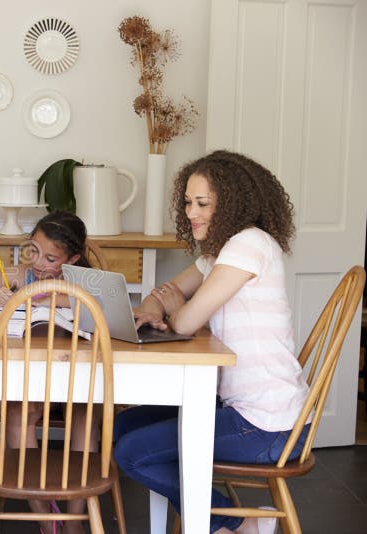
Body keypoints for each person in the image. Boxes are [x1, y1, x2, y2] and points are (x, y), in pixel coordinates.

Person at [114, 150, 310, 534]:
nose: (191, 212)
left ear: (234, 203)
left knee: (132, 453)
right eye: (188, 202)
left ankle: (233, 525)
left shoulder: (248, 245)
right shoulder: (220, 251)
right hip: (244, 412)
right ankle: (219, 521)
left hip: (269, 427)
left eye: (203, 203)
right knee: (127, 426)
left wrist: (175, 309)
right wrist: (158, 309)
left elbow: (186, 322)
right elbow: (164, 294)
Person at [0, 211, 99, 534]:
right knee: (19, 412)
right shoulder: (23, 275)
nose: (38, 262)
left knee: (86, 413)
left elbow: (105, 309)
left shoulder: (86, 284)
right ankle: (47, 522)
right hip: (29, 378)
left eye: (51, 258)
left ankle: (75, 521)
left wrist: (57, 299)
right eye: (34, 250)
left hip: (78, 378)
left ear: (73, 259)